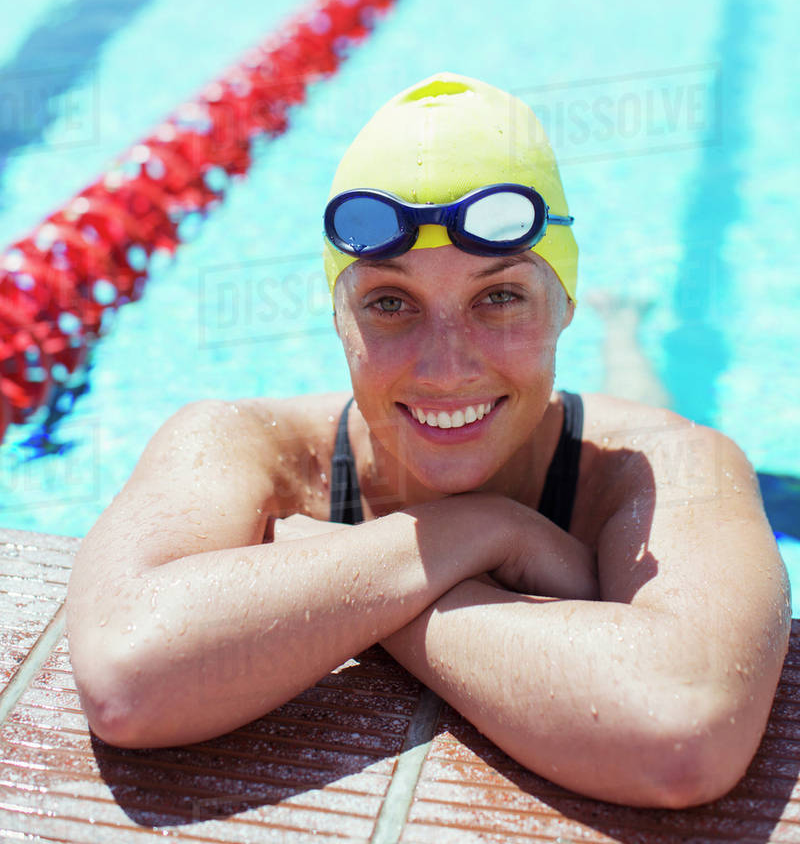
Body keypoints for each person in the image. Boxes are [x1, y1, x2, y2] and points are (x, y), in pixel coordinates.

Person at [66, 73, 791, 809]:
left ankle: (622, 329)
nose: (446, 367)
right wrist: (475, 531)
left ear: (563, 301)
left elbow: (681, 735)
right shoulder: (242, 444)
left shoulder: (676, 460)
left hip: (614, 425)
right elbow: (128, 681)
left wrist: (337, 583)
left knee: (638, 399)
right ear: (338, 319)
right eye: (389, 302)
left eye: (499, 297)